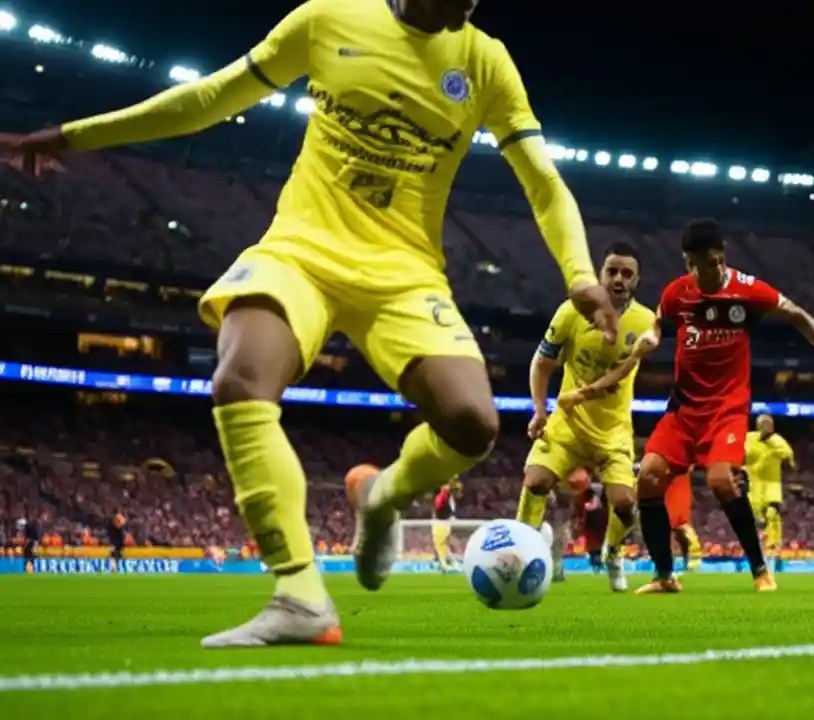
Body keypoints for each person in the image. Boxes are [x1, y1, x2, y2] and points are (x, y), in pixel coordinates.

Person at [2, 0, 618, 647]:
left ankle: (382, 497)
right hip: (300, 251)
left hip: (404, 274)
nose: (470, 3)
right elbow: (211, 98)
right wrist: (75, 135)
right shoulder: (328, 20)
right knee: (240, 378)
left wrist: (578, 274)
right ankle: (300, 594)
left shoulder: (486, 61)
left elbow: (543, 180)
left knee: (474, 424)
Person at [579, 219, 814, 593]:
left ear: (719, 258)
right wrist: (651, 335)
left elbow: (798, 315)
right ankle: (664, 575)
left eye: (705, 264)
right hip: (683, 408)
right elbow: (660, 323)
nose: (698, 273)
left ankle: (760, 570)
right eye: (691, 265)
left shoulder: (747, 291)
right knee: (648, 477)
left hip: (725, 408)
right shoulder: (679, 293)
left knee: (721, 480)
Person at [516, 242, 656, 593]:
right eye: (612, 271)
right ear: (600, 274)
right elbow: (542, 363)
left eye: (627, 273)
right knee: (535, 481)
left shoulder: (645, 321)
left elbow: (624, 371)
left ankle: (613, 553)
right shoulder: (569, 313)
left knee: (625, 505)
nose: (619, 279)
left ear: (637, 280)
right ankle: (519, 552)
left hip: (613, 431)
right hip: (569, 423)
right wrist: (539, 410)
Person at [744, 415, 795, 562]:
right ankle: (757, 547)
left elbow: (787, 454)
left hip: (772, 485)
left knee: (773, 514)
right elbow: (739, 454)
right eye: (764, 424)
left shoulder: (776, 440)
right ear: (758, 425)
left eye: (769, 424)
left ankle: (774, 546)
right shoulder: (749, 439)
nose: (767, 427)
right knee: (756, 519)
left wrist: (784, 458)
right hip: (754, 485)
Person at [666, 470, 703, 571]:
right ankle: (666, 565)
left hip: (679, 492)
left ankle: (689, 561)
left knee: (681, 529)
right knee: (671, 530)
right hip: (668, 493)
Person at [432, 478, 462, 572]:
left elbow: (438, 506)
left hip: (441, 522)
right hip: (444, 522)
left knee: (440, 545)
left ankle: (444, 564)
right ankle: (452, 562)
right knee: (443, 545)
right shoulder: (447, 496)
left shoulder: (444, 495)